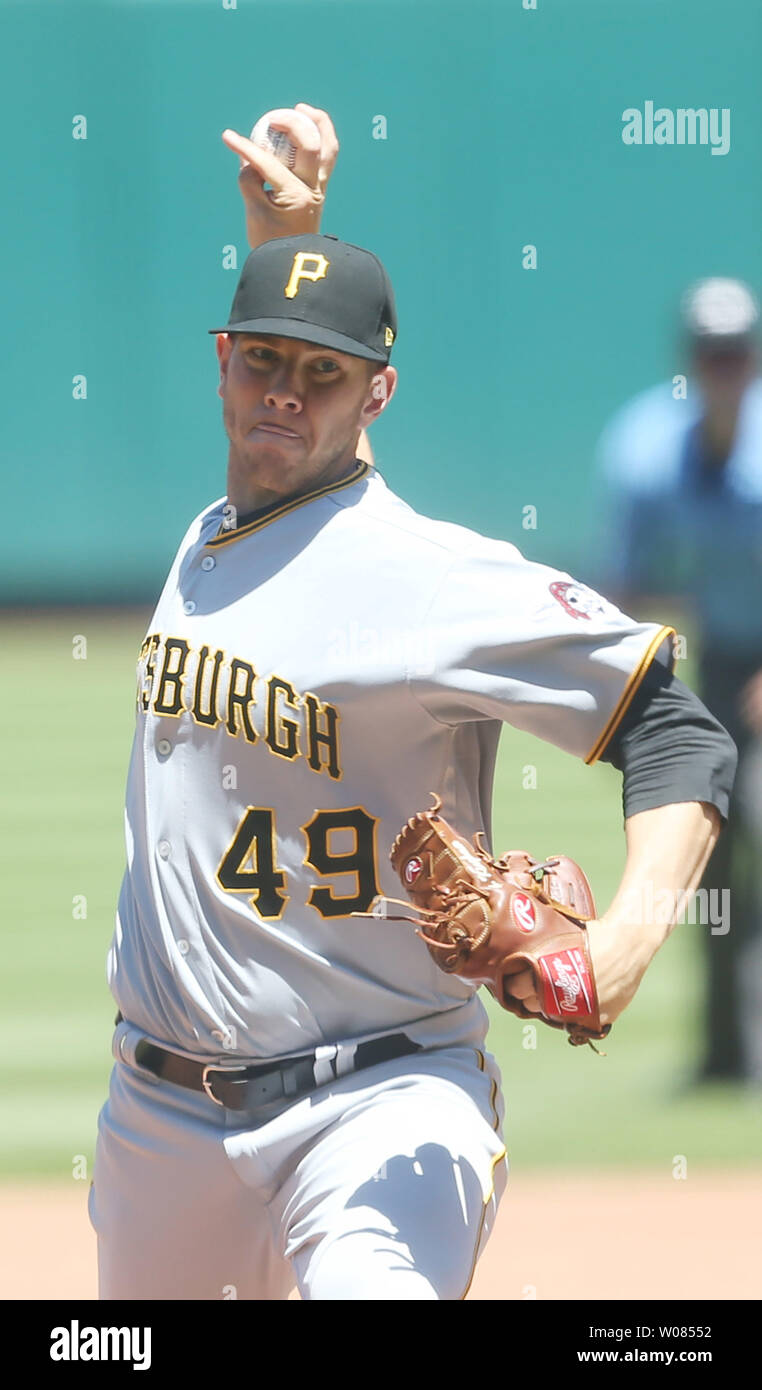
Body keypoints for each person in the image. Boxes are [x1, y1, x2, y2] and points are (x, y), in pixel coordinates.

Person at [87, 105, 736, 1300]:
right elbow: (295, 395)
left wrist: (623, 941)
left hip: (379, 1098)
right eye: (264, 360)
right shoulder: (209, 535)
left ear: (375, 394)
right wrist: (292, 234)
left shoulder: (434, 578)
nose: (286, 391)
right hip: (158, 1123)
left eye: (323, 373)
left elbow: (674, 727)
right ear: (220, 362)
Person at [598, 277, 762, 1083]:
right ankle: (726, 1055)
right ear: (690, 360)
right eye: (710, 353)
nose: (724, 367)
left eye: (736, 353)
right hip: (723, 658)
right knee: (709, 846)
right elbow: (624, 586)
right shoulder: (649, 446)